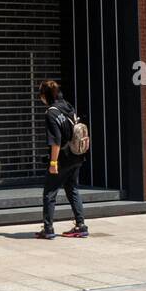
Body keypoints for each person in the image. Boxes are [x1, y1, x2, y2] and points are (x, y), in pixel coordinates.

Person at [36, 80, 88, 240]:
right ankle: (81, 226)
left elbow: (56, 140)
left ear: (45, 95)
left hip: (63, 157)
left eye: (41, 95)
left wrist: (53, 163)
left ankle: (48, 228)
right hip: (77, 154)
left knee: (49, 193)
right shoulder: (67, 105)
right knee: (72, 188)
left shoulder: (51, 112)